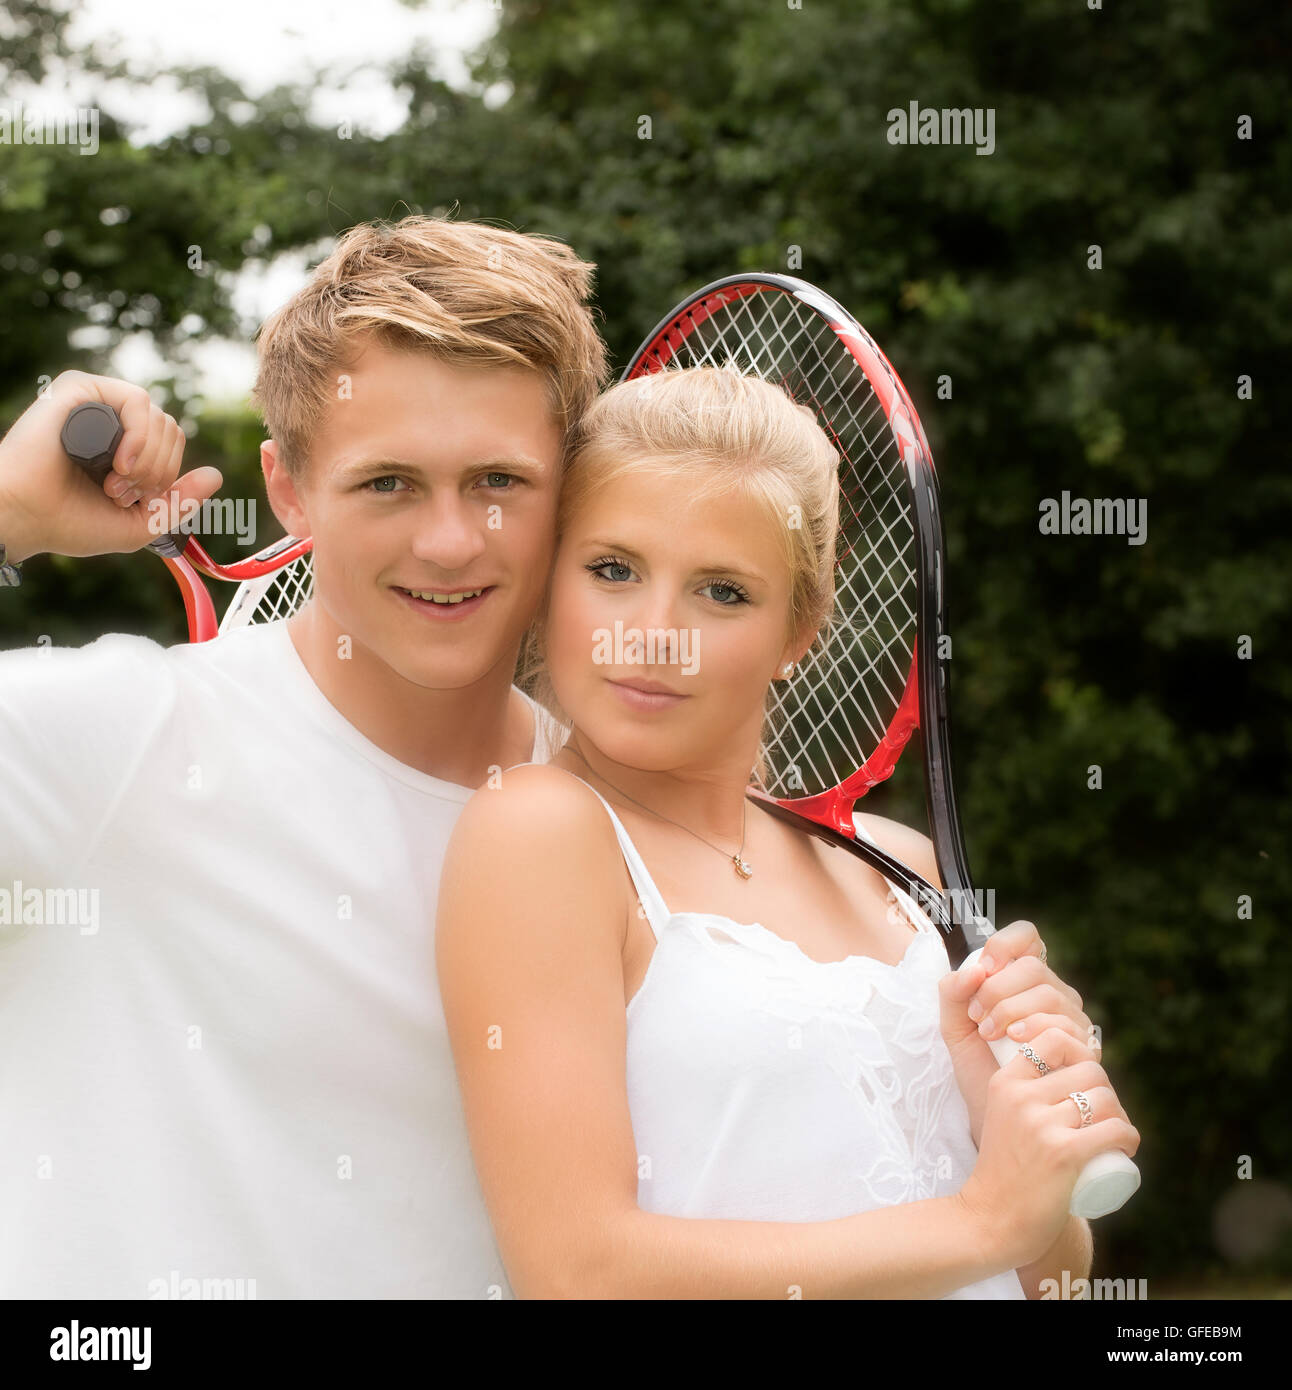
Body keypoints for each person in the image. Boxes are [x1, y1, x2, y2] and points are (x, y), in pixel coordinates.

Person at [436, 365, 1141, 1299]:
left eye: (722, 592)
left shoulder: (899, 868)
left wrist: (1028, 1143)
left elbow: (1056, 1283)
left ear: (799, 627)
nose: (655, 635)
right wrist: (980, 1222)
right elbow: (577, 1271)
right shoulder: (539, 831)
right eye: (613, 569)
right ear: (549, 582)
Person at [0, 214, 608, 1298]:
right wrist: (6, 509)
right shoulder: (118, 740)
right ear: (287, 491)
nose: (450, 541)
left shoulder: (622, 811)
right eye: (388, 483)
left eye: (499, 481)